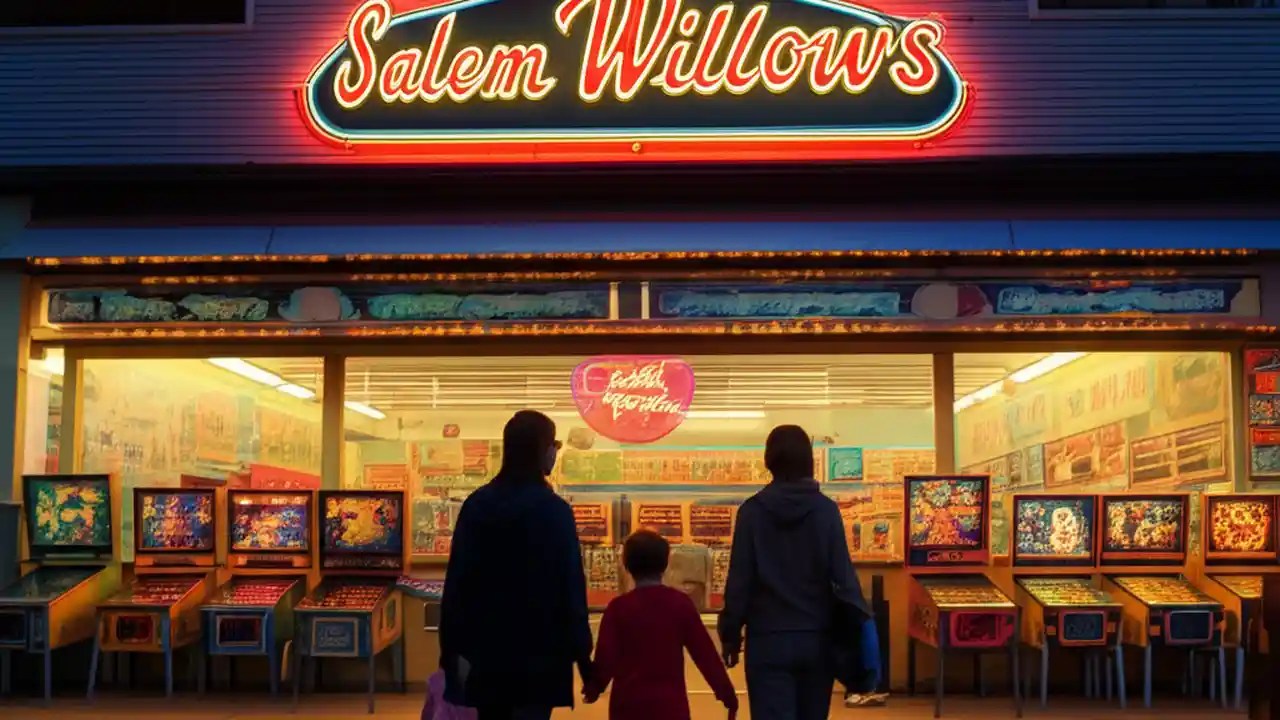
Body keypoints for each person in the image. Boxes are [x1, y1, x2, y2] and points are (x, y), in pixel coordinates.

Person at [440, 410, 593, 720]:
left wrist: (450, 653)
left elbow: (456, 586)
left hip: (485, 655)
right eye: (554, 445)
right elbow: (570, 590)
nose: (555, 453)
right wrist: (583, 659)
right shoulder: (554, 512)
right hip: (539, 657)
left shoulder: (477, 506)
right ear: (541, 449)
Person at [718, 424, 876, 720]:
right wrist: (858, 635)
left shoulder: (751, 513)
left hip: (767, 641)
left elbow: (740, 580)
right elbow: (843, 578)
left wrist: (730, 634)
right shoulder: (826, 511)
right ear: (808, 459)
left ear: (769, 460)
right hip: (817, 640)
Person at [584, 530, 738, 720]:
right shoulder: (680, 604)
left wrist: (594, 687)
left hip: (627, 706)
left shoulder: (618, 608)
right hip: (670, 706)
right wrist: (726, 693)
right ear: (665, 564)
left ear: (626, 565)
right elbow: (705, 654)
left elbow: (605, 658)